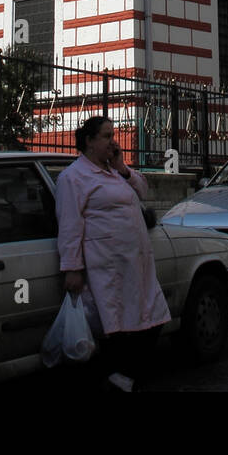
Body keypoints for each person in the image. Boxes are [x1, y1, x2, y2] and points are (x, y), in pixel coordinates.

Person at [56, 115, 170, 392]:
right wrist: (72, 267)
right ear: (89, 142)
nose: (113, 142)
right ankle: (116, 378)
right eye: (106, 136)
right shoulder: (73, 177)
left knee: (152, 318)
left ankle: (121, 377)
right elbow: (70, 224)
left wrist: (121, 167)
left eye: (113, 135)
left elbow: (142, 190)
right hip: (106, 264)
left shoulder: (112, 172)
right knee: (118, 325)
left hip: (136, 264)